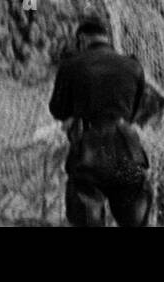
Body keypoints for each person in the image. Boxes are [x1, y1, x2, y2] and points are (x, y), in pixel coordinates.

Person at [48, 15, 152, 227]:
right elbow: (137, 112)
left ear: (82, 39)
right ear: (106, 38)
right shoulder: (133, 66)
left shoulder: (71, 65)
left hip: (89, 155)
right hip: (128, 152)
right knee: (135, 219)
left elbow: (58, 109)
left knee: (86, 217)